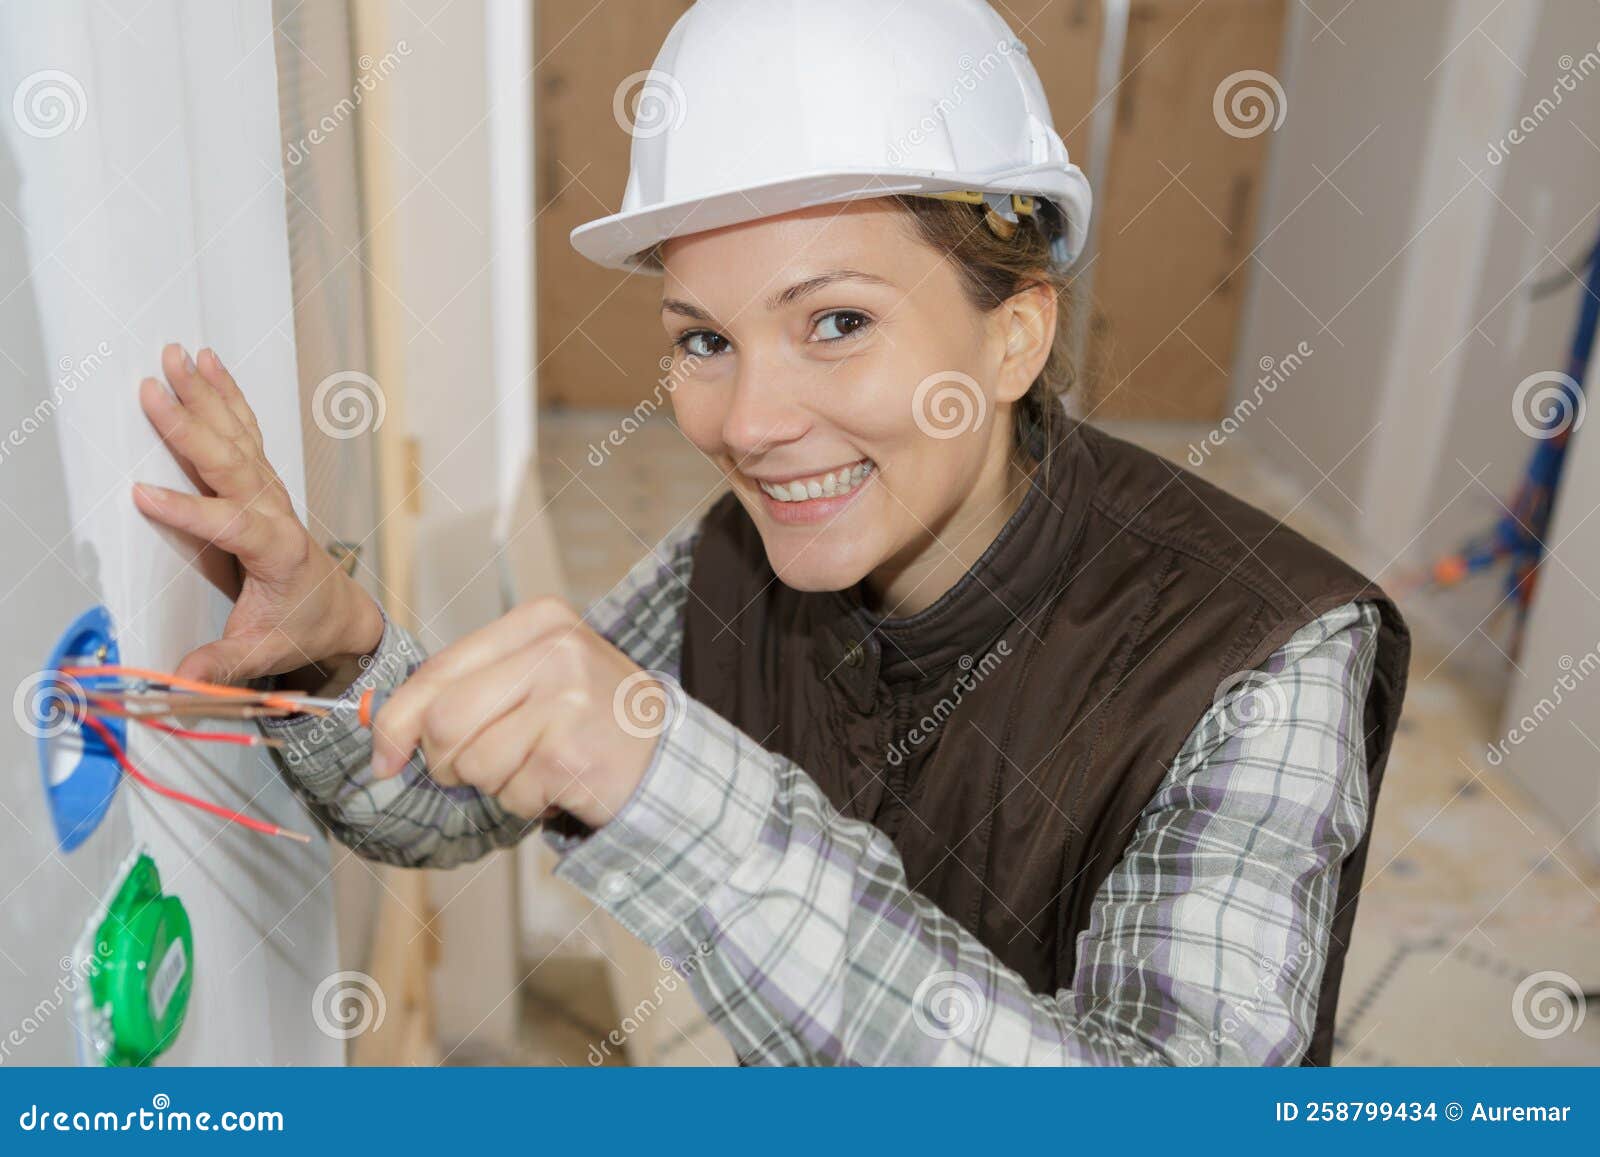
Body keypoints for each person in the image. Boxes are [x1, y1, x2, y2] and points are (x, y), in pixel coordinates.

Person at [131, 0, 1408, 1065]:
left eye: (837, 321)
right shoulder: (733, 565)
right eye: (703, 340)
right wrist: (337, 646)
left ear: (1014, 331)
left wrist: (669, 790)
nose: (747, 422)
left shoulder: (1267, 655)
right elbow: (444, 819)